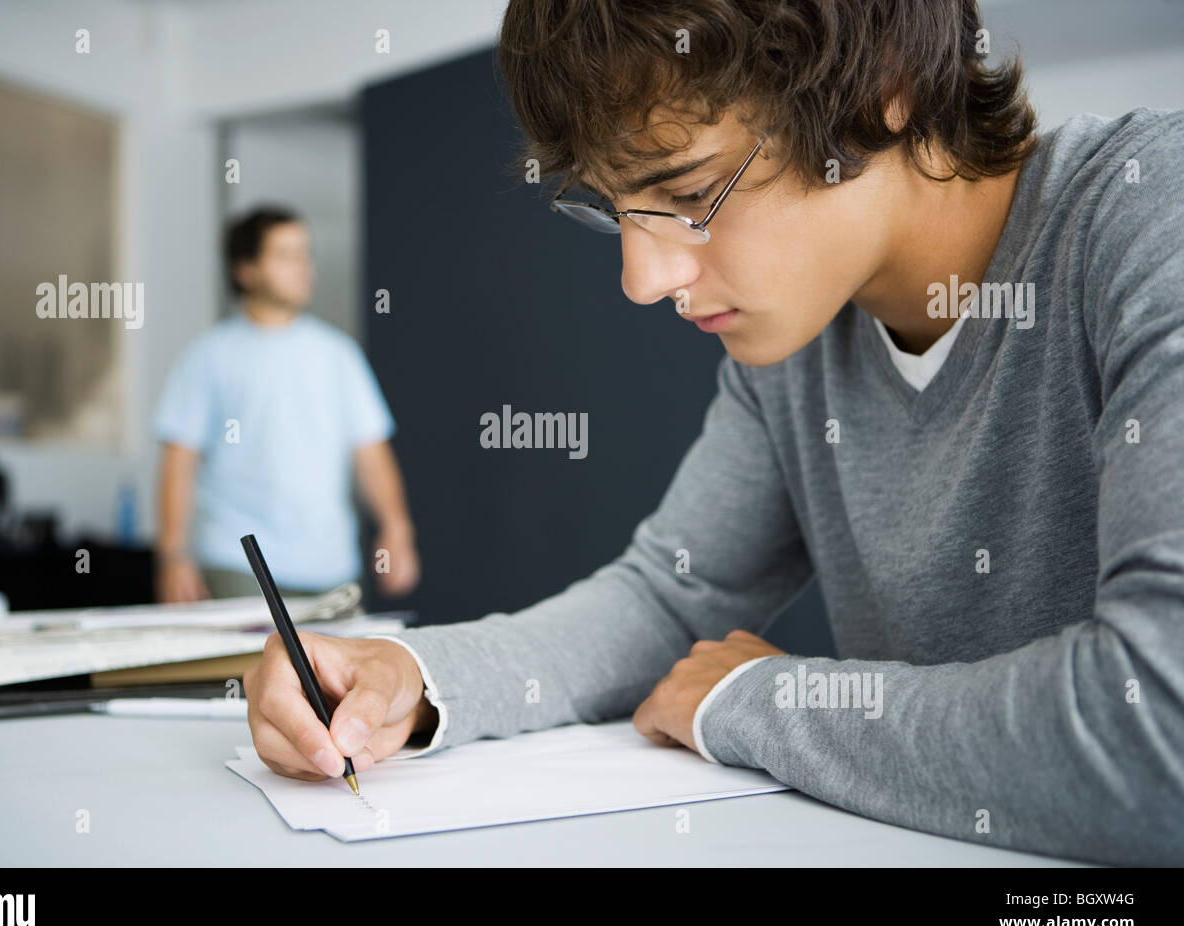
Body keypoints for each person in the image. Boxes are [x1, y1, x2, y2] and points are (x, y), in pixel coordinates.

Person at [243, 0, 1184, 865]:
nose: (642, 280)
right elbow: (669, 597)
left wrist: (763, 700)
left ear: (885, 86)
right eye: (614, 210)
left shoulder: (1151, 218)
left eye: (689, 191)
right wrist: (409, 673)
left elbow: (1160, 729)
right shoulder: (805, 342)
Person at [153, 206, 419, 601]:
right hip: (238, 562)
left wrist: (396, 528)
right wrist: (173, 555)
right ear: (246, 269)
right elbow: (180, 458)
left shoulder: (339, 354)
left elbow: (369, 451)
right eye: (285, 256)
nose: (304, 267)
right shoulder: (208, 356)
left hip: (330, 566)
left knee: (330, 665)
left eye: (305, 254)